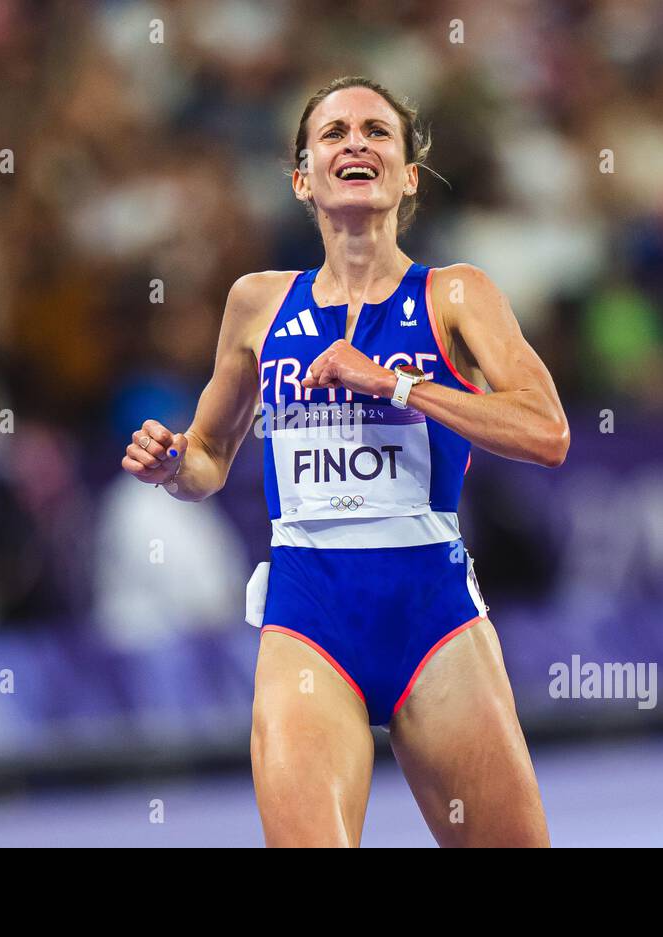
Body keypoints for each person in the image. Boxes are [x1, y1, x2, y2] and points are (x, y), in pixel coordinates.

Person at [121, 77, 569, 847]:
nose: (355, 143)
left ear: (407, 176)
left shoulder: (457, 294)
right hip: (309, 617)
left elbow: (547, 431)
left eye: (376, 132)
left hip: (435, 616)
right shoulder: (257, 303)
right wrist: (171, 464)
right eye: (333, 134)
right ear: (302, 178)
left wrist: (397, 381)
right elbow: (209, 457)